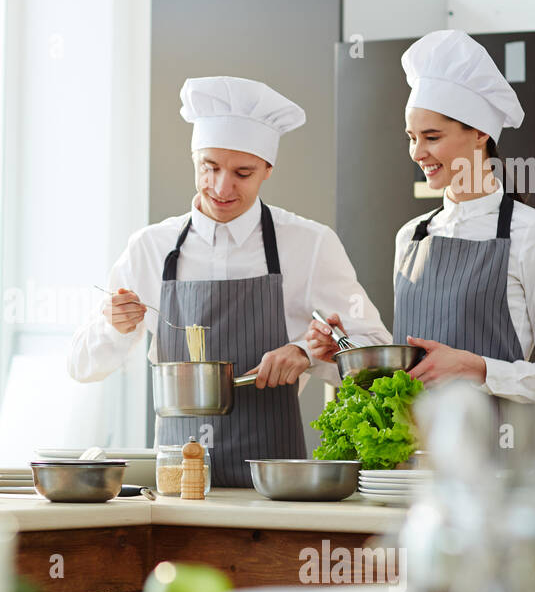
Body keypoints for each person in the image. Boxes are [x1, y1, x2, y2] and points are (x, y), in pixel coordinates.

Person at [69, 76, 390, 486]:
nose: (221, 187)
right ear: (194, 159)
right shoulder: (150, 246)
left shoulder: (309, 245)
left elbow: (375, 357)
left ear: (268, 169)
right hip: (178, 488)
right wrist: (112, 326)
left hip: (275, 488)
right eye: (210, 167)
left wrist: (308, 354)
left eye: (242, 172)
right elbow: (81, 366)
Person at [307, 30, 535, 425]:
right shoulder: (412, 236)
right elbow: (408, 373)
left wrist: (477, 368)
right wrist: (345, 354)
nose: (418, 153)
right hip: (414, 460)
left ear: (480, 133)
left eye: (432, 137)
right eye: (412, 138)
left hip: (498, 464)